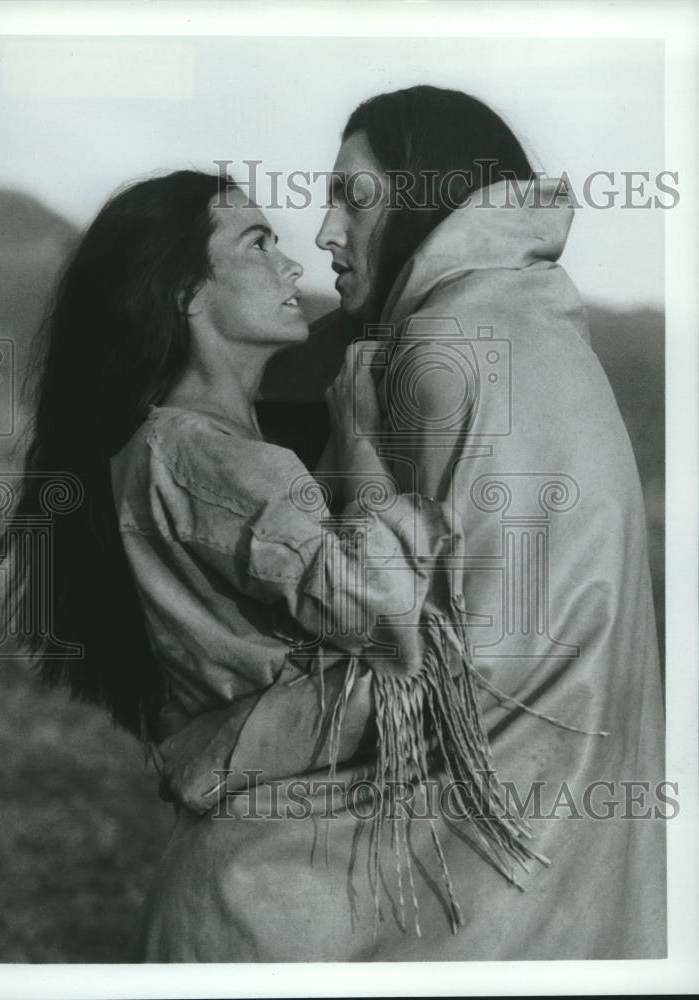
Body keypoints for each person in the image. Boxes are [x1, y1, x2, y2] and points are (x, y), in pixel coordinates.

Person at [161, 87, 667, 960]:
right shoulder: (526, 316)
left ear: (426, 194)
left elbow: (430, 657)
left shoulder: (440, 346)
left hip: (498, 834)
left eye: (353, 199)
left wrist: (224, 750)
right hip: (594, 827)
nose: (323, 234)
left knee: (219, 884)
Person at [0, 168, 543, 962]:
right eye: (258, 243)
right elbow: (386, 620)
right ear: (182, 291)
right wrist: (358, 435)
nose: (293, 267)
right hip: (270, 901)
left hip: (246, 881)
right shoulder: (206, 459)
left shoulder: (178, 451)